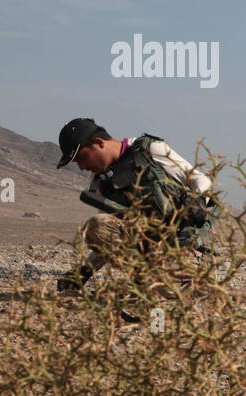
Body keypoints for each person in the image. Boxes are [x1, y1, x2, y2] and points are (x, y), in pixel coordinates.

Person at [54, 118, 216, 291]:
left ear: (99, 143)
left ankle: (186, 278)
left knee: (180, 289)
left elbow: (199, 179)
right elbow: (109, 235)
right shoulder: (100, 183)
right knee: (96, 226)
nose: (81, 166)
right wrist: (83, 272)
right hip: (150, 257)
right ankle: (147, 281)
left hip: (182, 249)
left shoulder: (149, 150)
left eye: (81, 157)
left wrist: (199, 201)